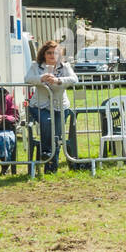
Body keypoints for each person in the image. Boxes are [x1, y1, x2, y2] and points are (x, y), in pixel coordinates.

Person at [25, 40, 78, 174]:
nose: (52, 55)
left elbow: (74, 79)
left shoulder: (65, 66)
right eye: (49, 52)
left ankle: (51, 168)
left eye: (55, 52)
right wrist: (41, 78)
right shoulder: (35, 66)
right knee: (47, 122)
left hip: (61, 106)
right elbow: (27, 78)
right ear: (43, 54)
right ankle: (47, 151)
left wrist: (58, 80)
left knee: (58, 136)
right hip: (40, 106)